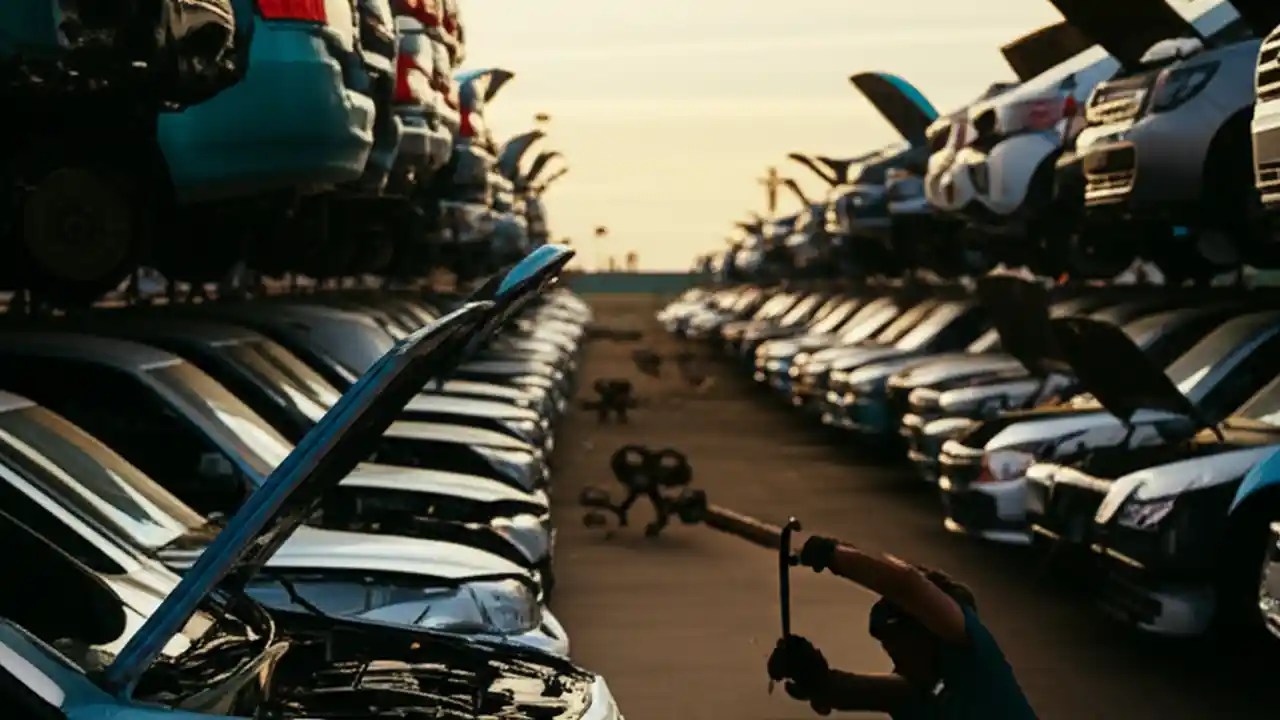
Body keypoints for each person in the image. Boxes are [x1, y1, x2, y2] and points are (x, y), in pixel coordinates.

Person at [766, 535, 1037, 719]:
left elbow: (908, 585)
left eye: (899, 650)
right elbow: (864, 692)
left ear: (925, 631)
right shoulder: (923, 689)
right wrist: (816, 679)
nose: (896, 661)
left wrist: (832, 555)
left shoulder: (970, 654)